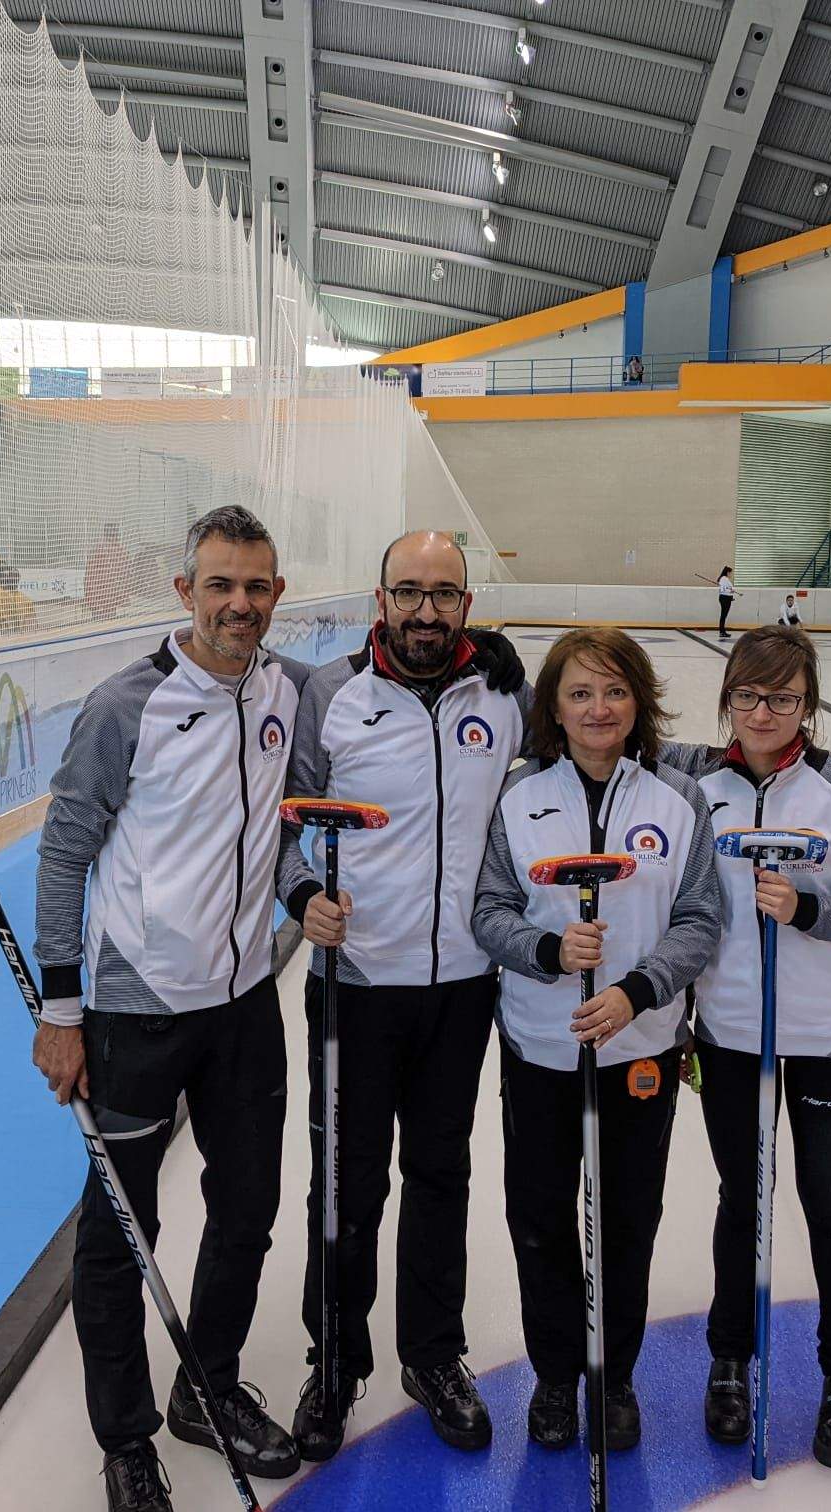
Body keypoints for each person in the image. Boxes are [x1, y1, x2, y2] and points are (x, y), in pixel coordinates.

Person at [31, 505, 308, 1512]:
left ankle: (207, 1385)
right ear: (186, 592)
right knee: (121, 1230)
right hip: (134, 1011)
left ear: (278, 595)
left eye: (258, 586)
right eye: (222, 585)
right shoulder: (124, 707)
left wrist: (297, 893)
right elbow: (65, 852)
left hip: (243, 1005)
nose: (240, 603)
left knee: (249, 1210)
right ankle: (127, 1442)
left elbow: (272, 833)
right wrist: (61, 1011)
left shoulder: (284, 690)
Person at [277, 531, 532, 1460]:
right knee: (345, 1187)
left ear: (468, 603)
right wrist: (305, 897)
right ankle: (336, 1362)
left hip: (462, 986)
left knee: (441, 1175)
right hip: (355, 986)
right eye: (409, 593)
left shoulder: (505, 695)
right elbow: (283, 823)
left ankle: (432, 1356)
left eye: (445, 595)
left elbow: (598, 744)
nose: (426, 612)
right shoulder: (329, 694)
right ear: (380, 598)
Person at [658, 625, 831, 1472]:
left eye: (785, 698)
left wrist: (809, 911)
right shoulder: (695, 784)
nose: (766, 713)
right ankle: (730, 1360)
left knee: (830, 1204)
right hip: (731, 1034)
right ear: (728, 698)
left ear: (811, 704)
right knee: (743, 1200)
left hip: (830, 1038)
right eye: (750, 696)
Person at [471, 628, 721, 1453]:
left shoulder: (676, 803)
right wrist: (545, 951)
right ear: (555, 709)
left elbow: (699, 920)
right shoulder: (519, 800)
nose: (598, 709)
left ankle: (612, 1379)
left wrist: (636, 991)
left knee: (626, 1221)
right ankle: (553, 1376)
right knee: (540, 1218)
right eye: (580, 693)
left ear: (639, 703)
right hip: (541, 1049)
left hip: (639, 1050)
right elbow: (490, 912)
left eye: (614, 691)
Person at [86, 522, 135, 620]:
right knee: (110, 622)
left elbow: (89, 576)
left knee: (100, 625)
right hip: (111, 597)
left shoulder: (98, 549)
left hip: (99, 597)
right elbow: (127, 575)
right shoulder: (121, 551)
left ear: (105, 533)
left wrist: (90, 596)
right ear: (117, 534)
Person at [716, 567, 737, 638]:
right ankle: (722, 632)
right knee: (723, 615)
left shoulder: (725, 579)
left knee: (724, 615)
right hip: (724, 598)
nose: (731, 574)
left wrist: (731, 593)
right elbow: (722, 590)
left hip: (727, 598)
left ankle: (722, 631)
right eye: (731, 573)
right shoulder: (723, 579)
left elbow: (727, 588)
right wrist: (730, 591)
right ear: (728, 572)